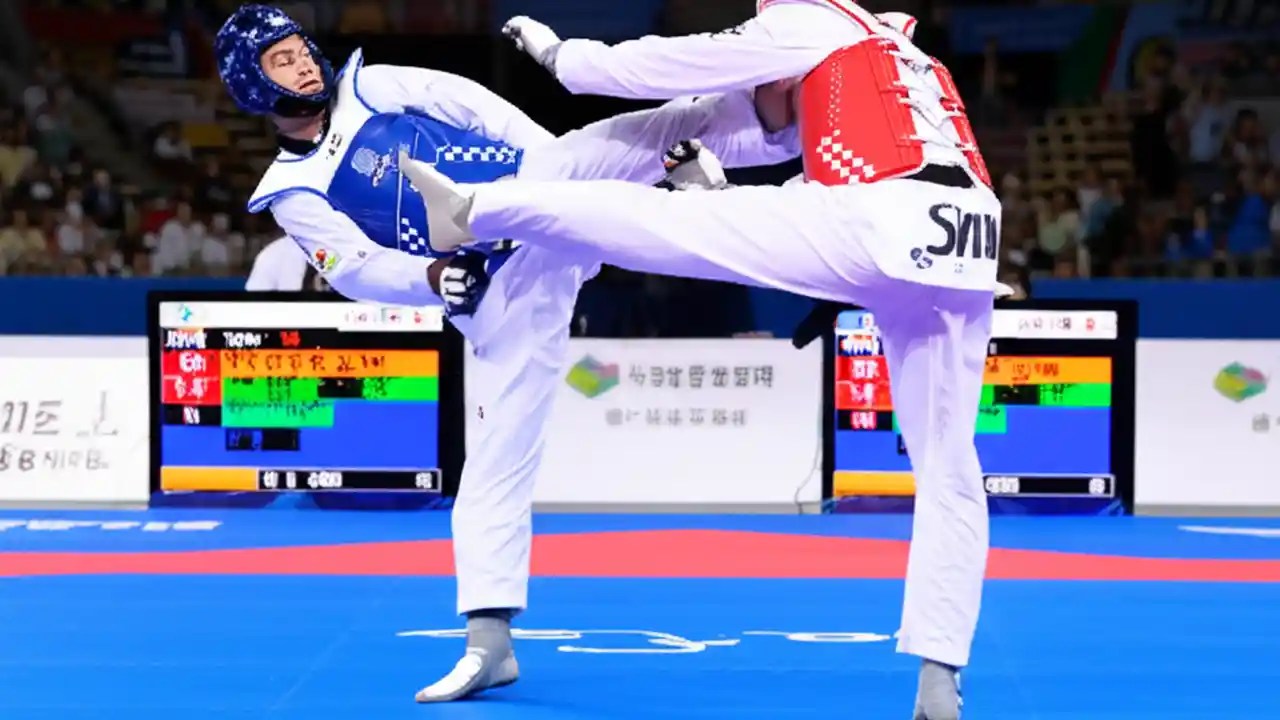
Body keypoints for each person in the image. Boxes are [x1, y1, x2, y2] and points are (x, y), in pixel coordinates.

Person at [403, 2, 998, 717]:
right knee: (952, 473)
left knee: (659, 224)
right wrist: (718, 193)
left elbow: (664, 63)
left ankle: (475, 208)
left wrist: (567, 57)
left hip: (879, 221)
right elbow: (818, 203)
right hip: (968, 243)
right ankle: (940, 678)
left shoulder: (814, 22)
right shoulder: (911, 64)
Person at [213, 3, 801, 703]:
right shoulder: (291, 191)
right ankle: (489, 640)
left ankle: (785, 113)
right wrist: (432, 278)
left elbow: (477, 108)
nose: (304, 63)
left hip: (535, 189)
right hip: (495, 288)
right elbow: (352, 266)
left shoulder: (374, 85)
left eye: (300, 49)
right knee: (494, 460)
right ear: (253, 86)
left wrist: (549, 186)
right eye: (281, 60)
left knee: (659, 127)